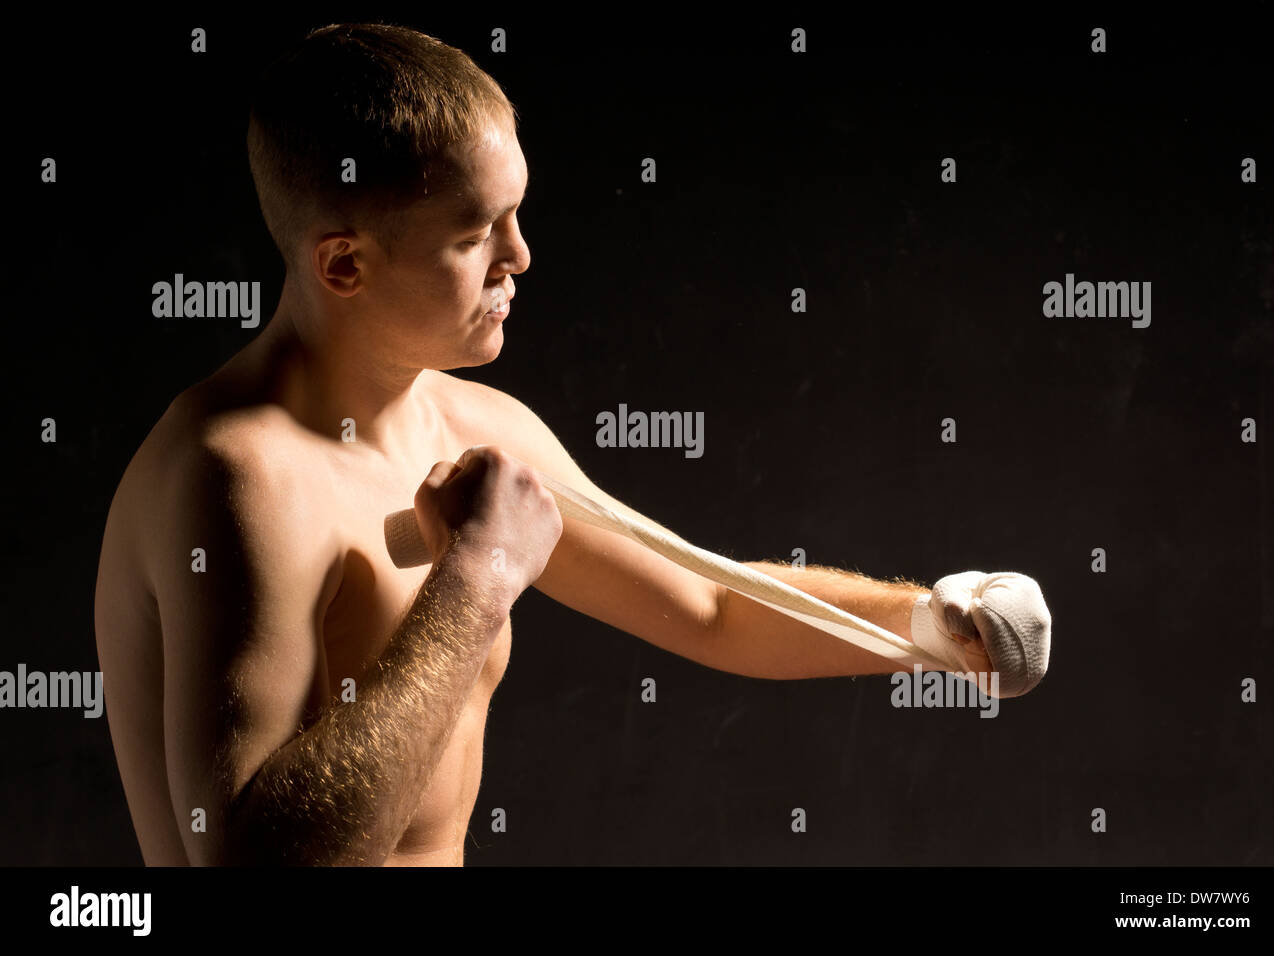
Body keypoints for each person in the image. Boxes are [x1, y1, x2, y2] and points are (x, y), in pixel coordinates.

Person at [93, 22, 1001, 866]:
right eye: (474, 234)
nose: (519, 256)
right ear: (344, 265)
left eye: (515, 215)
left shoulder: (482, 429)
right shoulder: (236, 478)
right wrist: (477, 580)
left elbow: (710, 606)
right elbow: (252, 860)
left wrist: (932, 627)